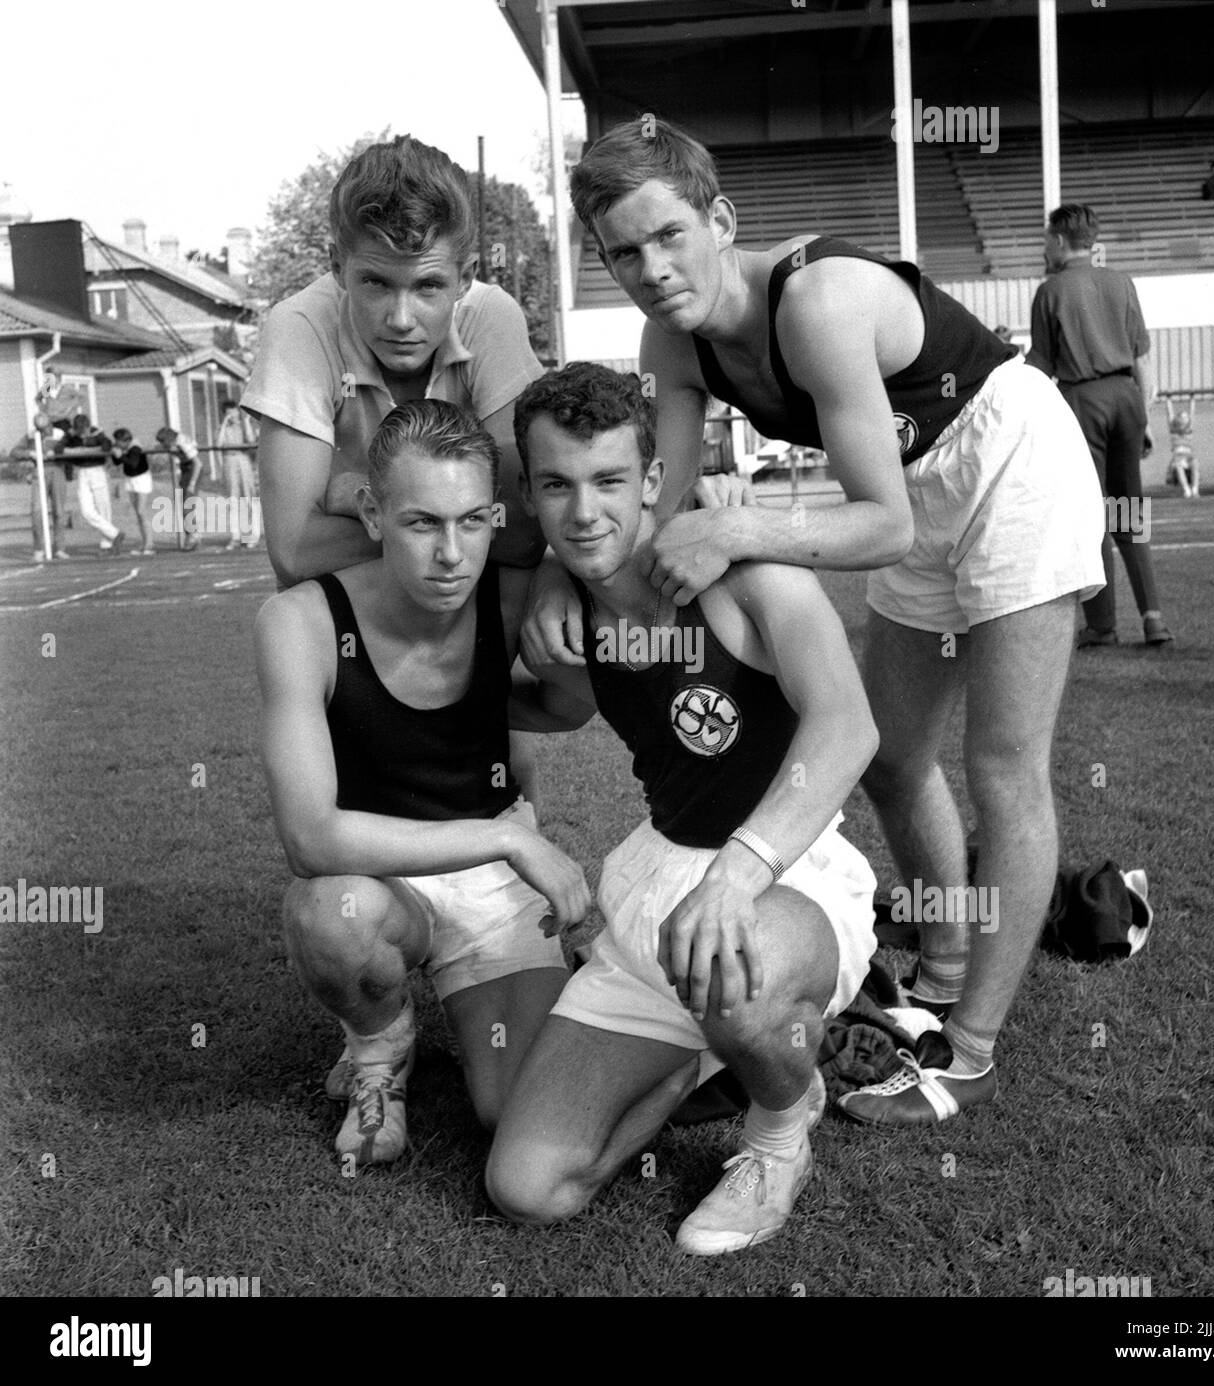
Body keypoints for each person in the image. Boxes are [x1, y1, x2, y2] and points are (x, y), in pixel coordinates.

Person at [529, 118, 1106, 1130]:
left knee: (1003, 766)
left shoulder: (819, 302)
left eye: (668, 236)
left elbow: (876, 524)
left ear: (721, 219)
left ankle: (968, 1052)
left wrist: (741, 525)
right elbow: (649, 506)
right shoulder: (672, 338)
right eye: (623, 252)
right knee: (889, 758)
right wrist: (550, 568)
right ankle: (938, 965)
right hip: (910, 494)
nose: (652, 270)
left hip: (1006, 458)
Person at [487, 363, 879, 1253]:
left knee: (732, 971)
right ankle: (713, 1055)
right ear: (534, 494)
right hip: (657, 877)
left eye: (609, 482)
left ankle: (780, 1133)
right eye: (556, 485)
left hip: (790, 874)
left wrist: (741, 872)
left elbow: (849, 726)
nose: (585, 512)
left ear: (653, 482)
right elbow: (562, 704)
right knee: (529, 1188)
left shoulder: (744, 575)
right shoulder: (569, 613)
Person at [253, 398, 588, 1168]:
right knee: (328, 911)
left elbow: (570, 709)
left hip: (493, 888)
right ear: (372, 513)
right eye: (422, 523)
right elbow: (309, 838)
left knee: (515, 1114)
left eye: (473, 522)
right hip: (376, 877)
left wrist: (566, 585)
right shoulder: (300, 621)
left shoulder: (511, 596)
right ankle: (380, 1050)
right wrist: (507, 834)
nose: (451, 554)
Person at [241, 132, 546, 800]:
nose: (401, 318)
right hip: (369, 611)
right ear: (336, 263)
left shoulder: (493, 316)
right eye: (375, 282)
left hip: (458, 598)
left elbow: (526, 527)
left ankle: (513, 816)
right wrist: (453, 521)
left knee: (507, 764)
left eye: (429, 286)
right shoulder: (297, 328)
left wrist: (369, 503)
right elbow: (293, 552)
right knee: (352, 836)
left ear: (466, 277)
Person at [1029, 204, 1173, 648]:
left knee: (1091, 516)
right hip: (1127, 398)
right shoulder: (1122, 282)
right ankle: (1153, 618)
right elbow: (1142, 357)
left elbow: (1042, 366)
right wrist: (1144, 418)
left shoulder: (1050, 291)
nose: (1044, 248)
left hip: (1082, 401)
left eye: (1046, 240)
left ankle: (1102, 624)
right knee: (1129, 510)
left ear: (1058, 241)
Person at [9, 412, 69, 560]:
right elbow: (15, 452)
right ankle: (39, 549)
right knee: (36, 510)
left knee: (59, 511)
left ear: (50, 424)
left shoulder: (60, 434)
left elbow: (68, 449)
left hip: (57, 470)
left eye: (45, 427)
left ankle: (60, 548)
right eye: (40, 428)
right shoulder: (31, 435)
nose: (43, 431)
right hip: (39, 471)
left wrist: (55, 452)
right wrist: (31, 453)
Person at [61, 413, 124, 554]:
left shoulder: (98, 433)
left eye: (84, 431)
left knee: (103, 508)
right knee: (86, 511)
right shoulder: (71, 435)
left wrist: (84, 450)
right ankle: (115, 534)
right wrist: (74, 447)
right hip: (82, 472)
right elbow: (60, 448)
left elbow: (107, 446)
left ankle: (107, 545)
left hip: (97, 471)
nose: (82, 435)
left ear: (88, 427)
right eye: (79, 431)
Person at [214, 399, 261, 550]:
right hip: (229, 461)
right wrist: (224, 424)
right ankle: (235, 536)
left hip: (243, 460)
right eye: (228, 413)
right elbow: (219, 444)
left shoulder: (244, 425)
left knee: (249, 499)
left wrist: (246, 421)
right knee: (233, 501)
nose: (232, 416)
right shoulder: (222, 428)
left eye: (234, 412)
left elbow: (251, 440)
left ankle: (253, 535)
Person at [155, 427, 203, 550]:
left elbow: (197, 463)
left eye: (163, 442)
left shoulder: (181, 443)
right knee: (184, 506)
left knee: (188, 506)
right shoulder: (176, 442)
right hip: (185, 469)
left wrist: (192, 483)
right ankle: (193, 535)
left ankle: (193, 536)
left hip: (192, 470)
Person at [110, 428, 156, 555]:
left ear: (126, 441)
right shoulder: (124, 448)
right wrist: (115, 454)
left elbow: (133, 463)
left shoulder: (135, 448)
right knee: (137, 513)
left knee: (141, 511)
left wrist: (121, 456)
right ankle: (145, 543)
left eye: (118, 441)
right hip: (130, 479)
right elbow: (117, 462)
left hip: (141, 479)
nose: (117, 444)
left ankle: (149, 543)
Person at [1165, 404, 1199, 498]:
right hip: (1178, 456)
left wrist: (1192, 400)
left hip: (1189, 456)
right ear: (1177, 421)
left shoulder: (1189, 430)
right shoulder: (1173, 431)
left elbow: (1192, 414)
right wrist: (1168, 401)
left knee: (1195, 465)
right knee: (1178, 466)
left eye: (1185, 418)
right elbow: (1170, 414)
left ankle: (1195, 488)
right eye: (1181, 417)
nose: (1183, 420)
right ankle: (1186, 489)